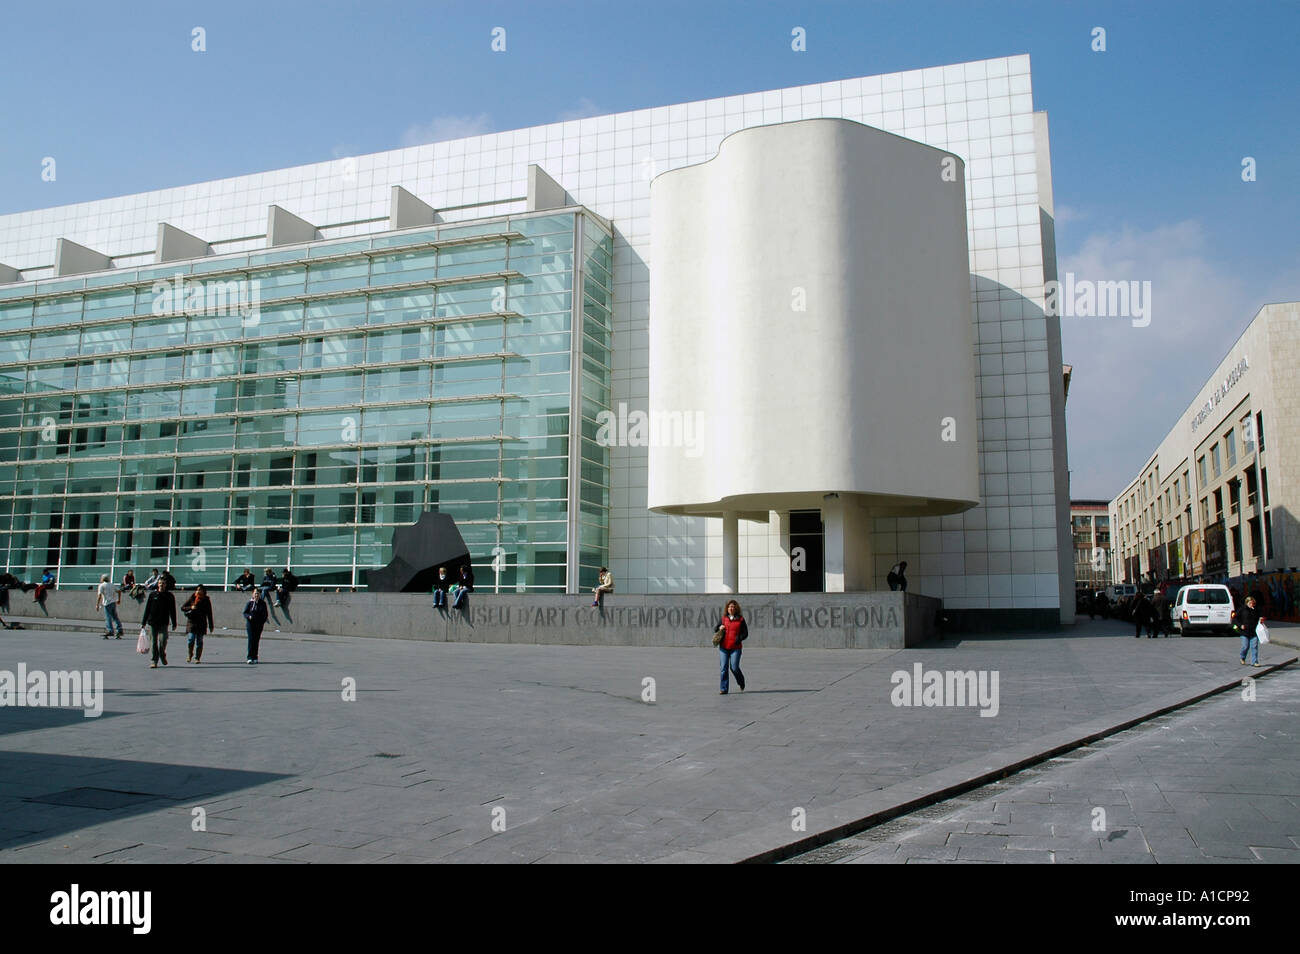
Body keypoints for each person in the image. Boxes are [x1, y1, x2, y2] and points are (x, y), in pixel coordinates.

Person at [712, 599, 748, 695]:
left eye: (733, 607)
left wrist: (739, 638)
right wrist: (719, 627)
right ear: (727, 608)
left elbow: (745, 633)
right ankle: (724, 689)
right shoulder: (724, 619)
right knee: (723, 668)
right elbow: (715, 628)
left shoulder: (740, 619)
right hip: (724, 647)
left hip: (735, 648)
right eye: (729, 607)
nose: (731, 608)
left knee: (734, 667)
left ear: (736, 608)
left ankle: (741, 681)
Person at [141, 576, 177, 668]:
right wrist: (143, 622)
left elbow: (173, 610)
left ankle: (162, 654)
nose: (161, 585)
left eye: (163, 583)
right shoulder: (153, 595)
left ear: (166, 585)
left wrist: (174, 622)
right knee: (153, 642)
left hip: (164, 622)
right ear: (158, 584)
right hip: (152, 622)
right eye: (160, 583)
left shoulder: (169, 596)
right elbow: (147, 608)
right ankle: (154, 660)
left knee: (163, 640)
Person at [182, 585, 215, 663]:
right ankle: (190, 654)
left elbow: (209, 613)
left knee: (199, 641)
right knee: (191, 639)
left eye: (200, 590)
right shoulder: (193, 597)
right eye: (197, 590)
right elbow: (183, 607)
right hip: (192, 623)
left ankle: (197, 658)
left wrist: (211, 625)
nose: (198, 591)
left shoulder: (206, 600)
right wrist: (191, 607)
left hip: (201, 623)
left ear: (203, 591)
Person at [243, 588, 269, 664]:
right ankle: (250, 657)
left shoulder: (262, 603)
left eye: (258, 593)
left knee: (256, 640)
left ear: (260, 595)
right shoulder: (249, 603)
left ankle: (255, 657)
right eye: (255, 593)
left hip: (259, 624)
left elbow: (265, 614)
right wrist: (249, 616)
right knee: (251, 640)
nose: (256, 595)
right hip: (250, 624)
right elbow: (245, 613)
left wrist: (262, 622)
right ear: (252, 594)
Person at [95, 574, 125, 640]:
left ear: (102, 579)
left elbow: (99, 595)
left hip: (107, 603)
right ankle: (120, 629)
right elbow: (119, 591)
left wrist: (97, 604)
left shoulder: (101, 585)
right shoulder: (112, 585)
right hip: (113, 602)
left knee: (108, 617)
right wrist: (119, 599)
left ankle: (110, 630)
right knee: (115, 617)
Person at [1239, 595, 1265, 667]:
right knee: (1245, 646)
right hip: (1244, 632)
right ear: (1246, 603)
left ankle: (1255, 662)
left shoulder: (1256, 610)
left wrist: (1261, 619)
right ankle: (1242, 657)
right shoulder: (1242, 609)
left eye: (1253, 603)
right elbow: (1235, 619)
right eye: (1250, 603)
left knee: (1254, 646)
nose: (1252, 605)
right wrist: (1240, 625)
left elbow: (1261, 616)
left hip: (1254, 632)